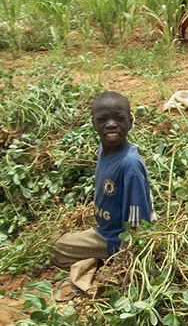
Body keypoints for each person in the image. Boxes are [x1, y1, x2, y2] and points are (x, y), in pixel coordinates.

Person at [51, 92, 155, 270]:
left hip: (115, 238)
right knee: (55, 237)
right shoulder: (103, 149)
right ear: (93, 124)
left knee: (56, 248)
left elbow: (138, 225)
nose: (111, 124)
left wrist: (127, 259)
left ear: (130, 121)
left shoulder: (130, 165)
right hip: (106, 228)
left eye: (119, 118)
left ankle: (101, 260)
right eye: (103, 119)